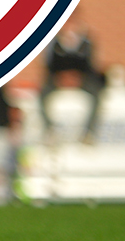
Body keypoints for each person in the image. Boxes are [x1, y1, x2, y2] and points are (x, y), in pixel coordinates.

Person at [39, 11, 103, 143]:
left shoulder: (86, 40)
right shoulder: (53, 40)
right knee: (42, 94)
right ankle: (49, 131)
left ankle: (88, 132)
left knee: (97, 93)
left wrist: (76, 77)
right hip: (57, 78)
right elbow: (48, 64)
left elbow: (91, 64)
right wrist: (61, 76)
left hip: (81, 78)